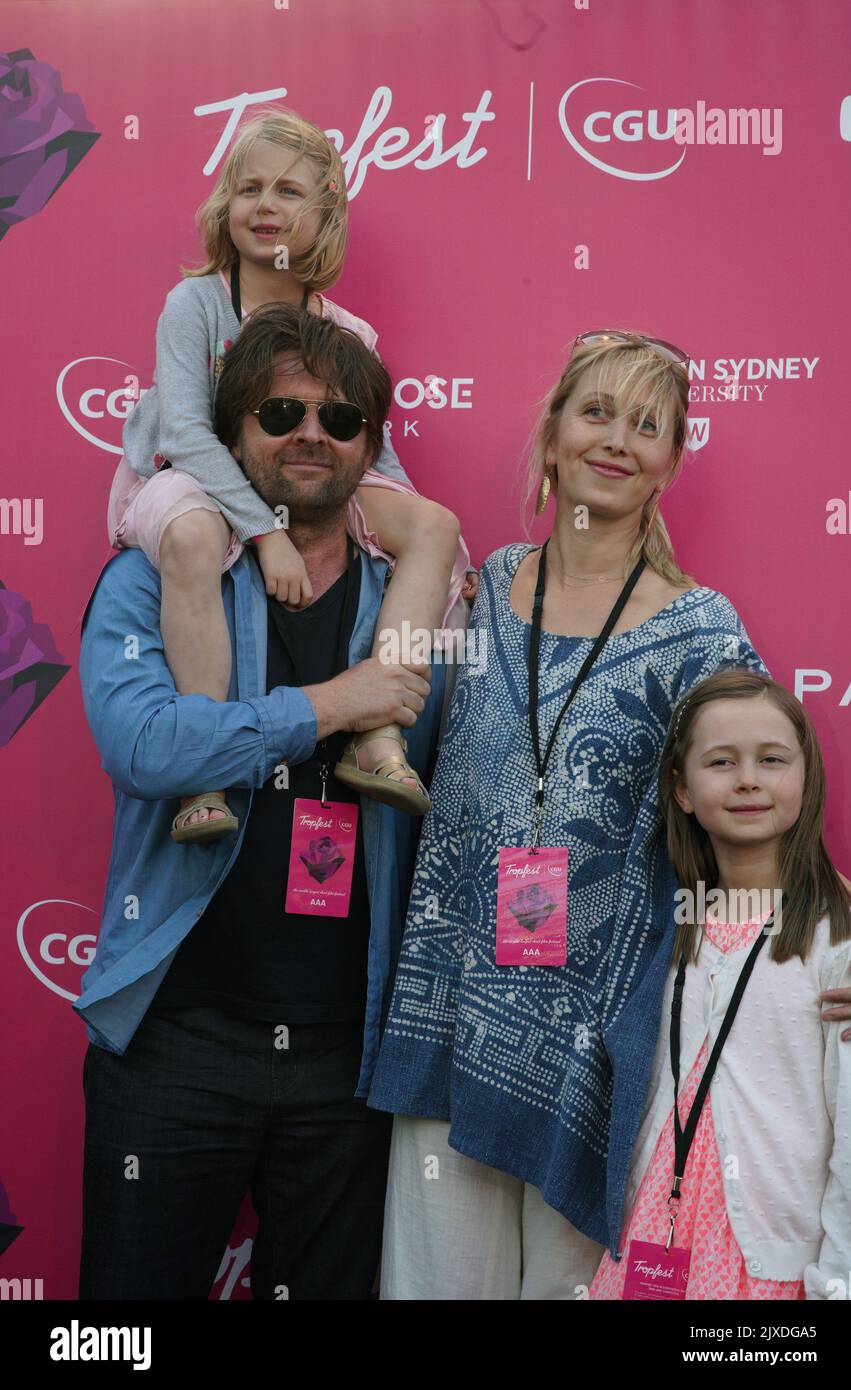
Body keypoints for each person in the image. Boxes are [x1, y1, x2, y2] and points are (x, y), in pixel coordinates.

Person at [365, 329, 851, 1300]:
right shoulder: (483, 586)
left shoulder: (700, 628)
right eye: (596, 413)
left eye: (648, 426)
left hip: (596, 1047)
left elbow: (765, 810)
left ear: (673, 461)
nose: (619, 440)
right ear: (552, 436)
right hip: (450, 1006)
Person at [76, 305, 448, 1299]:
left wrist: (796, 893)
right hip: (176, 1039)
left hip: (347, 1060)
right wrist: (331, 707)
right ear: (232, 431)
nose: (310, 435)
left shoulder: (419, 604)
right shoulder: (153, 574)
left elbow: (490, 782)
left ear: (373, 446)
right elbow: (145, 746)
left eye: (340, 418)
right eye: (281, 411)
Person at [108, 107, 473, 842]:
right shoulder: (195, 304)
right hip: (180, 478)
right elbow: (184, 432)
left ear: (325, 215)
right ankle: (202, 770)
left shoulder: (350, 335)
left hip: (267, 499)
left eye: (288, 192)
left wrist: (444, 562)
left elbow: (373, 456)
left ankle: (376, 733)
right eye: (250, 189)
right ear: (225, 205)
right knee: (190, 534)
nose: (266, 206)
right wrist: (267, 535)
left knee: (435, 524)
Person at [590, 670, 851, 1300]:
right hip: (651, 1247)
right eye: (722, 761)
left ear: (806, 779)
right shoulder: (663, 930)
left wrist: (844, 1284)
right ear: (682, 790)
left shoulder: (842, 944)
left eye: (772, 759)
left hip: (773, 1266)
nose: (748, 778)